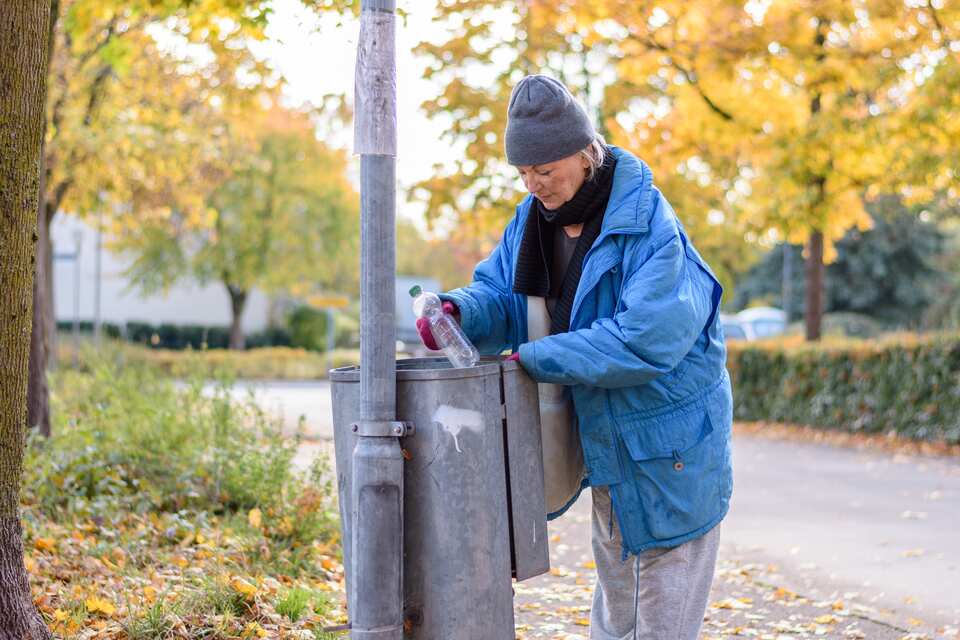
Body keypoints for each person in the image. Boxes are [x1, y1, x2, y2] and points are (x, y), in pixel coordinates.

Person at [416, 74, 733, 640]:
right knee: (620, 602)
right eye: (523, 172)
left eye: (545, 169)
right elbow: (502, 295)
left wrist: (536, 358)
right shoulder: (534, 222)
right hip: (614, 443)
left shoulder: (648, 226)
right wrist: (459, 311)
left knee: (655, 617)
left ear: (585, 153)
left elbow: (644, 339)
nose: (534, 183)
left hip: (669, 450)